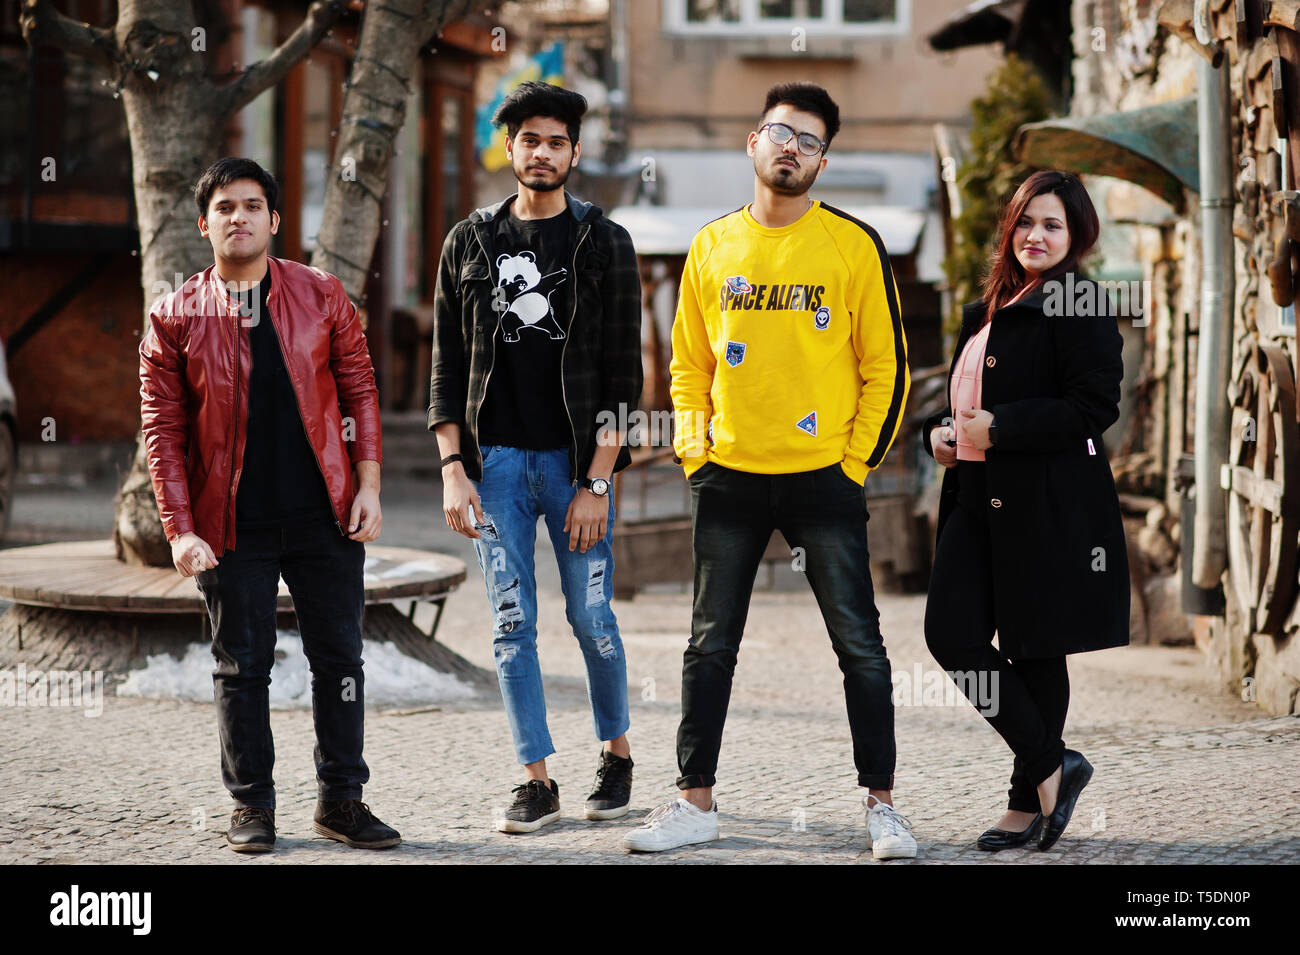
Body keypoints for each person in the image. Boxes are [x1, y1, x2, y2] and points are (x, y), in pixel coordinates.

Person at [623, 83, 915, 858]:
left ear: (824, 161)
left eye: (810, 140)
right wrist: (695, 451)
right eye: (782, 133)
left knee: (860, 644)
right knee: (710, 644)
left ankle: (882, 805)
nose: (793, 148)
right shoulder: (713, 246)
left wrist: (853, 463)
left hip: (825, 478)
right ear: (753, 143)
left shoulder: (853, 245)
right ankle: (694, 802)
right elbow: (686, 365)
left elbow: (887, 367)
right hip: (730, 480)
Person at [139, 157, 400, 854]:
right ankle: (251, 805)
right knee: (241, 666)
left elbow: (360, 392)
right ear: (204, 223)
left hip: (326, 516)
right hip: (232, 526)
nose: (240, 216)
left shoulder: (321, 294)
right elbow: (161, 429)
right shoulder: (174, 316)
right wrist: (179, 529)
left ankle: (342, 800)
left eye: (253, 205)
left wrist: (369, 486)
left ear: (275, 220)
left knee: (340, 662)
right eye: (225, 207)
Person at [429, 81, 644, 833]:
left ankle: (615, 756)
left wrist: (596, 479)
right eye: (530, 139)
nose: (543, 152)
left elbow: (626, 377)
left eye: (556, 141)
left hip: (574, 466)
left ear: (575, 152)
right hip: (496, 470)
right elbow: (445, 371)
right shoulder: (469, 241)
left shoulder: (605, 242)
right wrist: (454, 468)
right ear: (510, 149)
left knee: (591, 618)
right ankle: (535, 779)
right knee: (511, 621)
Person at [920, 170, 1129, 852]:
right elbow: (964, 395)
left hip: (1045, 501)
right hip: (975, 496)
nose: (1036, 236)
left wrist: (1000, 429)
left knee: (1034, 646)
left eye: (1053, 225)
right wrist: (944, 435)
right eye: (1027, 222)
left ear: (1075, 237)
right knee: (951, 634)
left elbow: (1093, 408)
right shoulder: (992, 303)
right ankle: (1051, 767)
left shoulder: (1078, 300)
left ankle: (1026, 801)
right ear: (1010, 227)